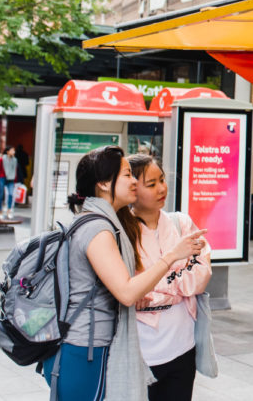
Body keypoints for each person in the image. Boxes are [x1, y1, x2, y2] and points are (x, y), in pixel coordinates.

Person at [44, 145, 206, 401]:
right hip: (85, 347)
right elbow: (128, 293)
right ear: (104, 184)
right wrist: (172, 256)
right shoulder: (98, 228)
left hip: (93, 345)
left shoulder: (104, 223)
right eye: (127, 175)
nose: (134, 182)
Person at [124, 154, 215, 401]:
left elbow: (200, 276)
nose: (162, 188)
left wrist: (150, 288)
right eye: (151, 184)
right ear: (132, 189)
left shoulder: (181, 224)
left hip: (182, 345)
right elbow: (125, 290)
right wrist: (174, 276)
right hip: (140, 349)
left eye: (162, 180)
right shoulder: (121, 233)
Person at [0, 146, 19, 219]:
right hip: (2, 177)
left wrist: (15, 180)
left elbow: (15, 170)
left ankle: (9, 210)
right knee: (1, 195)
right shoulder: (2, 159)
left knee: (10, 194)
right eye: (12, 150)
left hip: (11, 179)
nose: (13, 152)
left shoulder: (15, 160)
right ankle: (0, 211)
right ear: (7, 151)